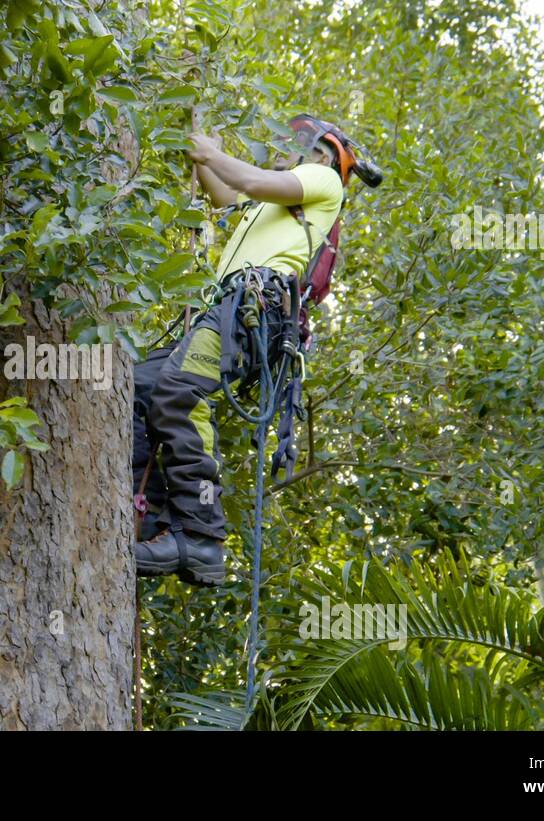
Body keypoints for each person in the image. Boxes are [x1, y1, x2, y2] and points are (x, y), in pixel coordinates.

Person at [130, 114, 375, 586]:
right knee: (139, 386)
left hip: (251, 306)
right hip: (229, 308)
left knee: (180, 394)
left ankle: (200, 534)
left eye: (298, 144)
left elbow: (251, 178)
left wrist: (211, 152)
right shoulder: (268, 206)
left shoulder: (322, 182)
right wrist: (203, 154)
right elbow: (226, 193)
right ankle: (154, 516)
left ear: (322, 155)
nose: (286, 148)